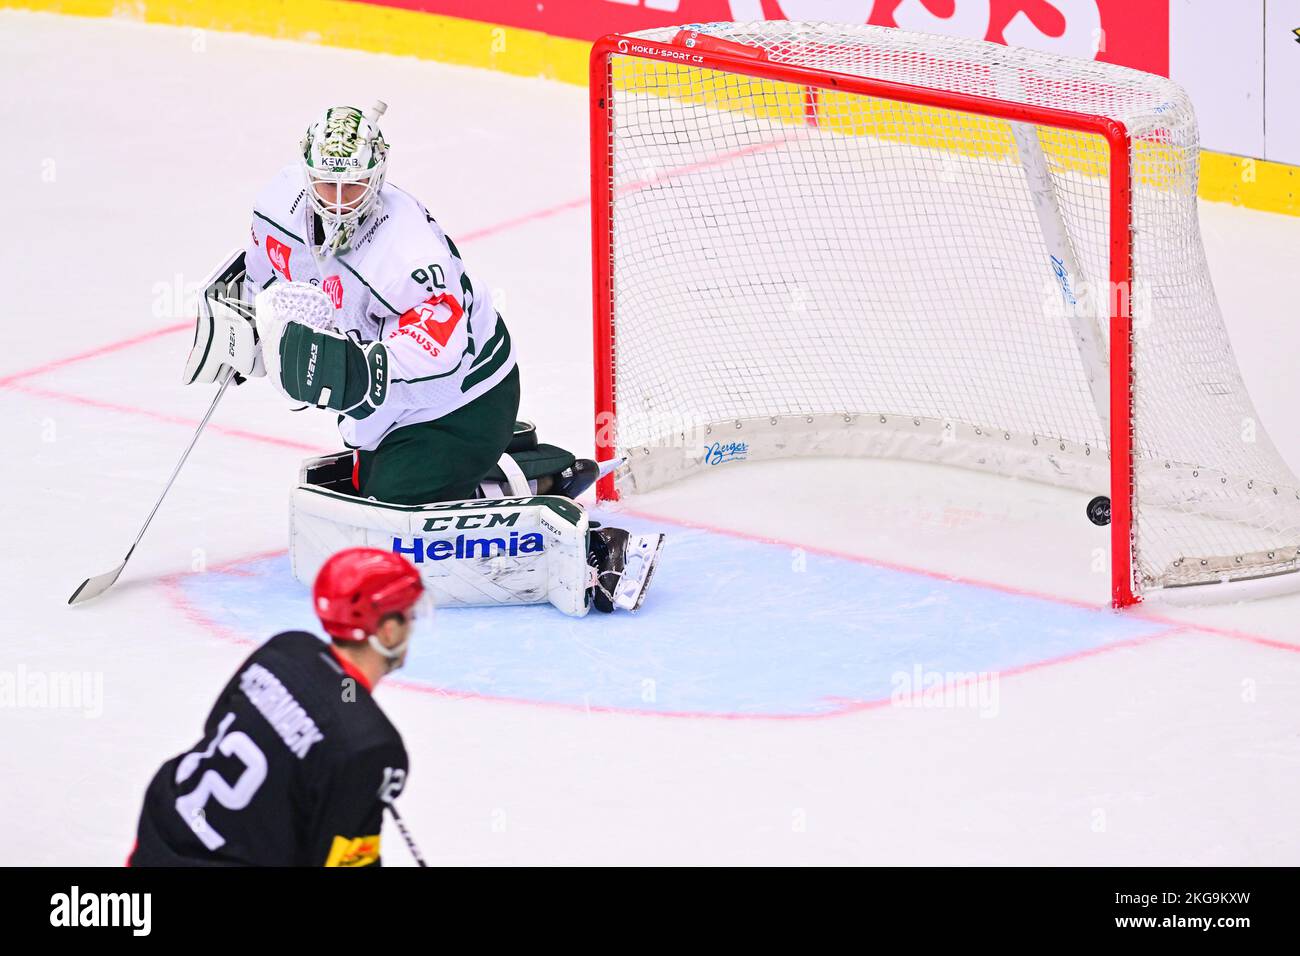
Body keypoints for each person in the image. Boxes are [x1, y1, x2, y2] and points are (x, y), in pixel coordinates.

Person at [182, 101, 663, 614]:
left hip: (464, 399)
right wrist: (245, 329)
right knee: (367, 495)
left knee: (392, 528)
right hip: (399, 403)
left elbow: (438, 358)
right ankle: (525, 464)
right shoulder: (278, 204)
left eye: (355, 188)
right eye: (327, 186)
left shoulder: (407, 253)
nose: (340, 203)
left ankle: (583, 537)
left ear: (379, 175)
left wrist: (351, 371)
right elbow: (260, 274)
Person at [129, 548, 424, 866]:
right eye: (410, 615)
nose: (414, 624)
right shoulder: (370, 747)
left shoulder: (287, 649)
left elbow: (217, 724)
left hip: (162, 826)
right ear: (388, 630)